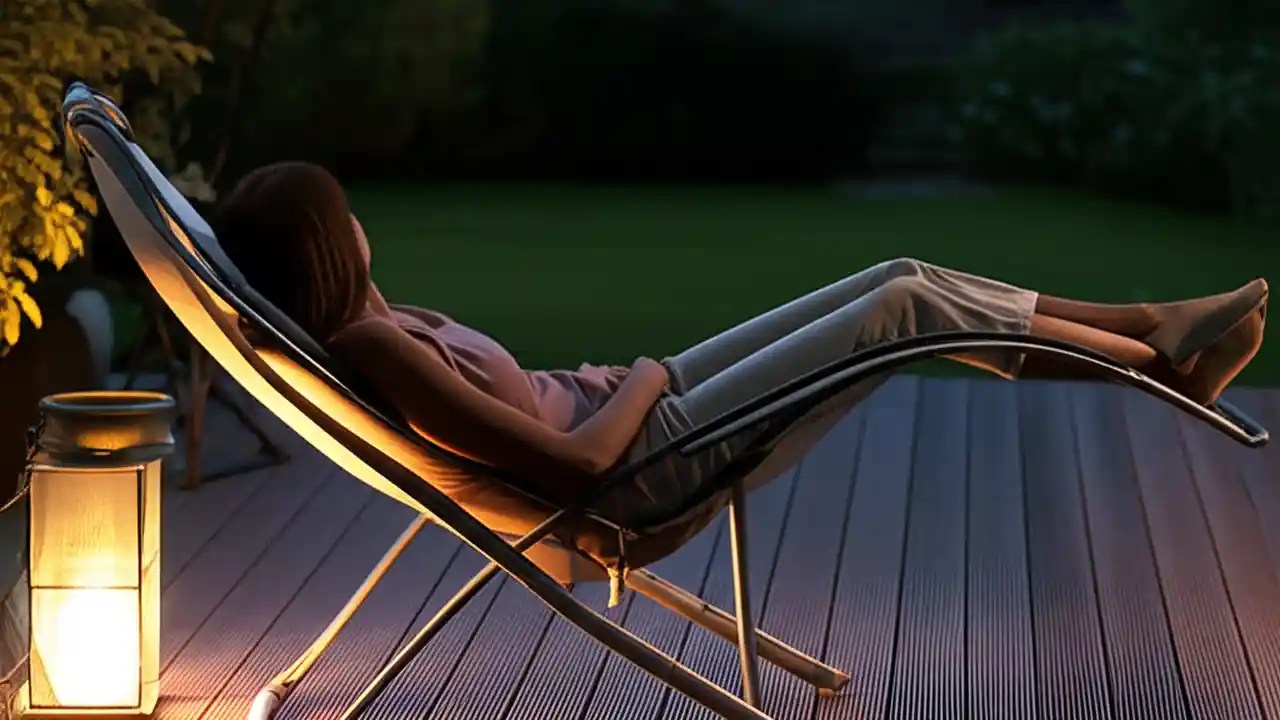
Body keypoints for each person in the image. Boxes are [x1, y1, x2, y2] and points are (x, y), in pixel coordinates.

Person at [210, 162, 1267, 526]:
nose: (360, 220)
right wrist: (653, 377)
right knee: (902, 316)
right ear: (324, 251)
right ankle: (1161, 366)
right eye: (340, 212)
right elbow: (578, 472)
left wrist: (192, 220)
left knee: (897, 279)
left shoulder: (364, 315)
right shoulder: (376, 351)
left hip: (632, 407)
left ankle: (1149, 336)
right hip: (641, 455)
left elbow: (278, 260)